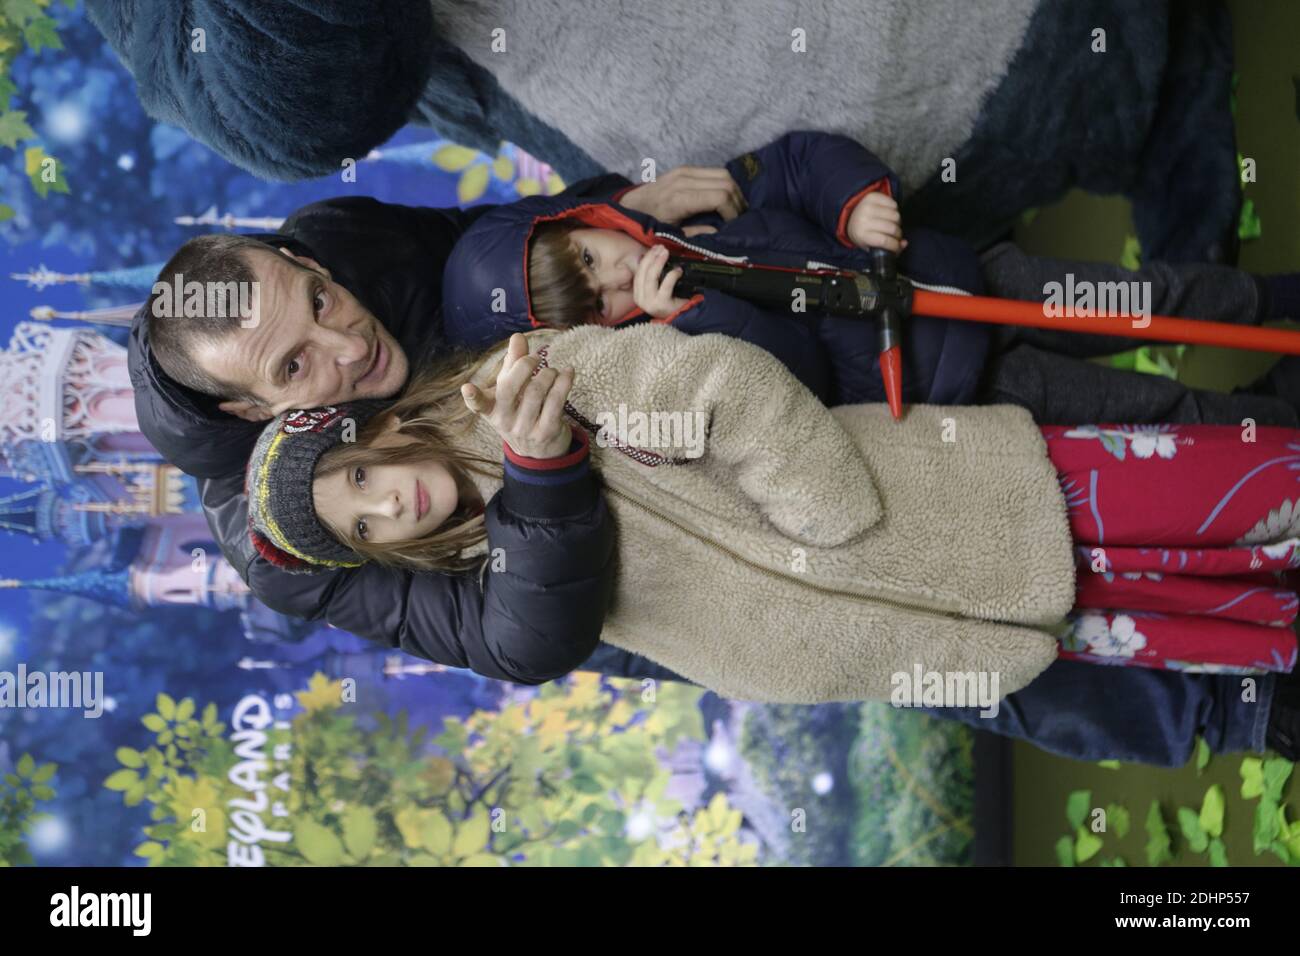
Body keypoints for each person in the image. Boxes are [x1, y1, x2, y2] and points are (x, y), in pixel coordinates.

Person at [138, 168, 1300, 765]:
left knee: (1060, 469)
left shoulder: (333, 243)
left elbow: (483, 245)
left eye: (323, 300)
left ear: (300, 256)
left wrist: (601, 211)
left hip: (755, 416)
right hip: (672, 586)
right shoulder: (288, 536)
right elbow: (516, 640)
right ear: (253, 412)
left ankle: (1254, 471)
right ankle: (1246, 712)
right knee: (983, 650)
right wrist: (544, 480)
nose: (348, 345)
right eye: (300, 364)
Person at [244, 325, 1299, 706]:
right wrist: (813, 656)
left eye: (360, 477)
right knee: (1235, 628)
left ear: (370, 435)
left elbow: (720, 384)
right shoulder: (489, 575)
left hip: (966, 495)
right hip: (966, 627)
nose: (388, 502)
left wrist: (826, 512)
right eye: (366, 525)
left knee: (1248, 496)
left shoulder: (523, 377)